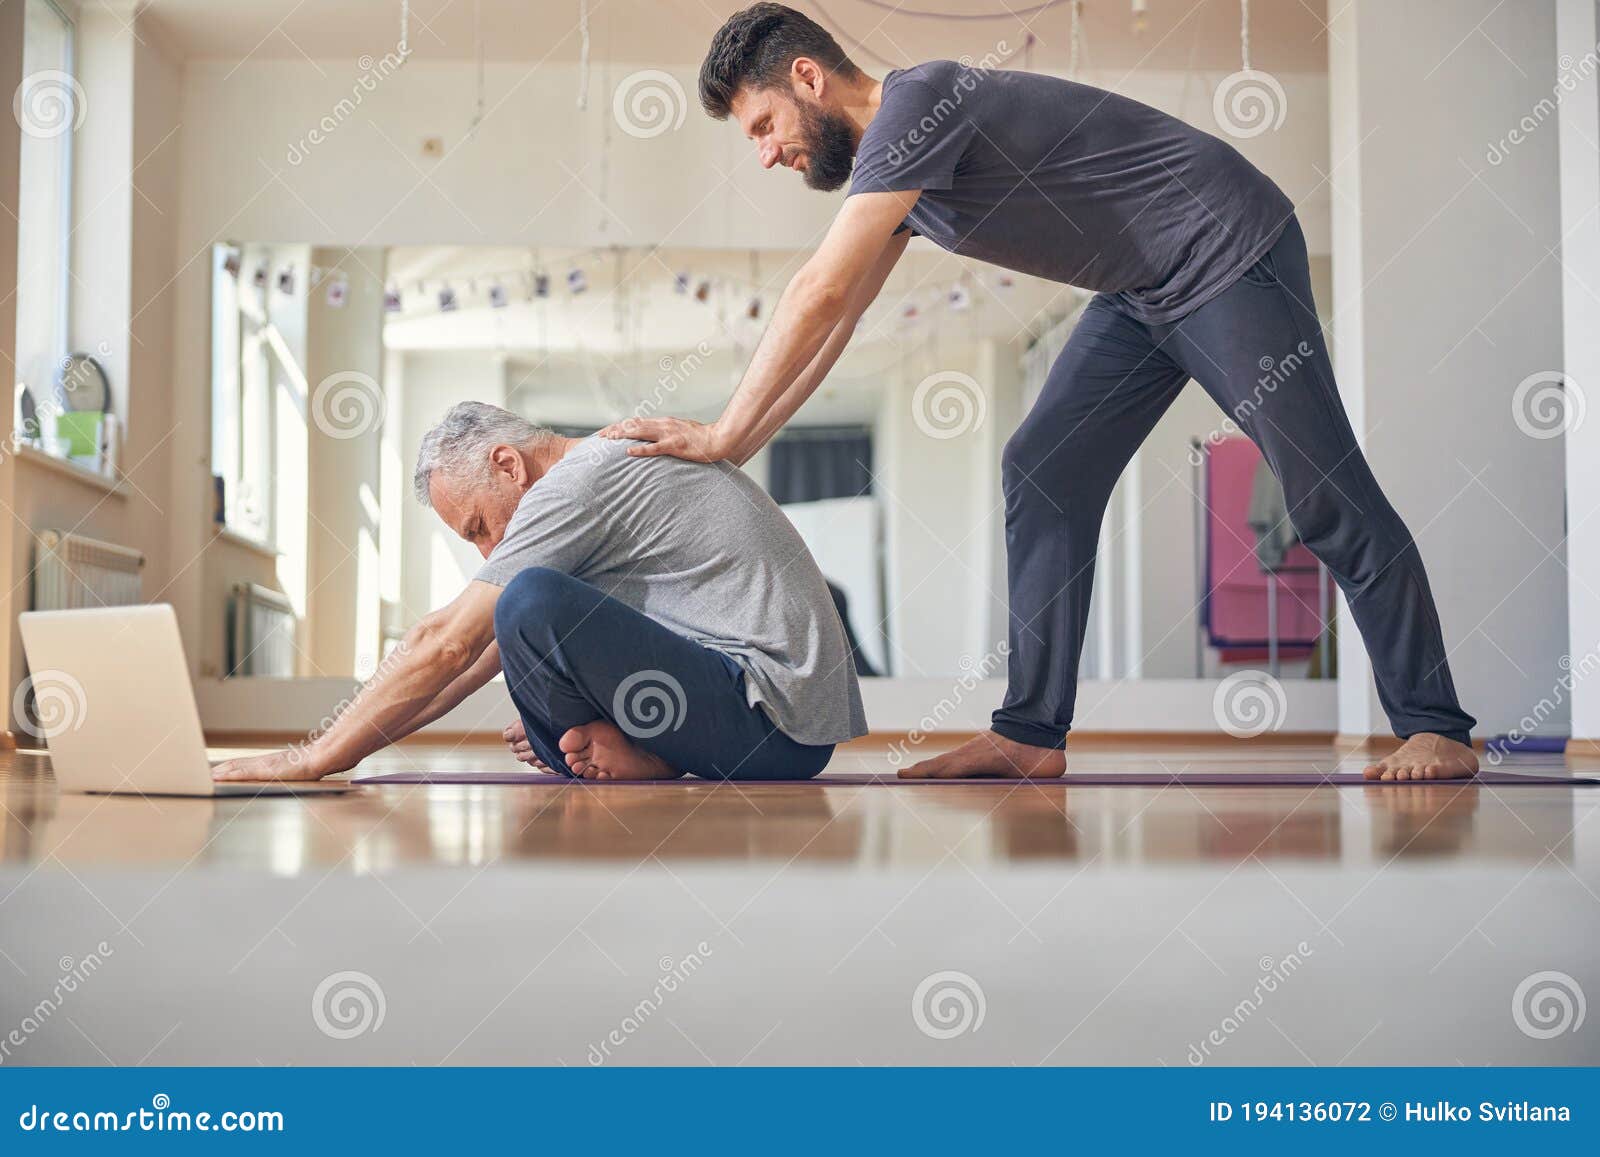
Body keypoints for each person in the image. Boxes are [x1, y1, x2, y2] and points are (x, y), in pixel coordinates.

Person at [599, 3, 1478, 783]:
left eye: (762, 125)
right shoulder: (893, 174)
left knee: (1322, 492)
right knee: (1045, 469)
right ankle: (1030, 733)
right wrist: (742, 439)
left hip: (1223, 245)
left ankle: (1436, 727)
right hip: (1143, 289)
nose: (766, 155)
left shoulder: (917, 104)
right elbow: (838, 324)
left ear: (806, 77)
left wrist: (721, 435)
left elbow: (818, 291)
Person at [213, 402, 866, 784]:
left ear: (507, 463)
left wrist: (312, 756)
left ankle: (646, 756)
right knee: (523, 611)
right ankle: (629, 747)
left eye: (478, 527)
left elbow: (447, 642)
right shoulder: (587, 485)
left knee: (527, 601)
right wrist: (344, 755)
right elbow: (467, 663)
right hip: (786, 725)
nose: (486, 551)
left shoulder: (573, 487)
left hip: (772, 715)